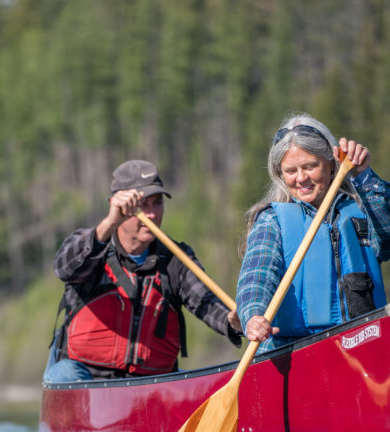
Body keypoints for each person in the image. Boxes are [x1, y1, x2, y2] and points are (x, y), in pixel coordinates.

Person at [44, 159, 242, 382]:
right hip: (86, 377)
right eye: (142, 205)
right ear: (116, 205)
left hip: (149, 383)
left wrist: (232, 321)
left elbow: (206, 301)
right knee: (65, 373)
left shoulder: (176, 259)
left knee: (186, 381)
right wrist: (110, 223)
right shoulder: (92, 245)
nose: (152, 214)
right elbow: (64, 269)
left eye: (157, 203)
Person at [235, 113, 390, 351]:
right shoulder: (272, 220)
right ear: (280, 174)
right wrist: (253, 316)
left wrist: (363, 176)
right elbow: (257, 276)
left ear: (331, 164)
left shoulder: (362, 208)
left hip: (363, 341)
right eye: (291, 171)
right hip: (294, 348)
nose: (301, 178)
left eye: (310, 166)